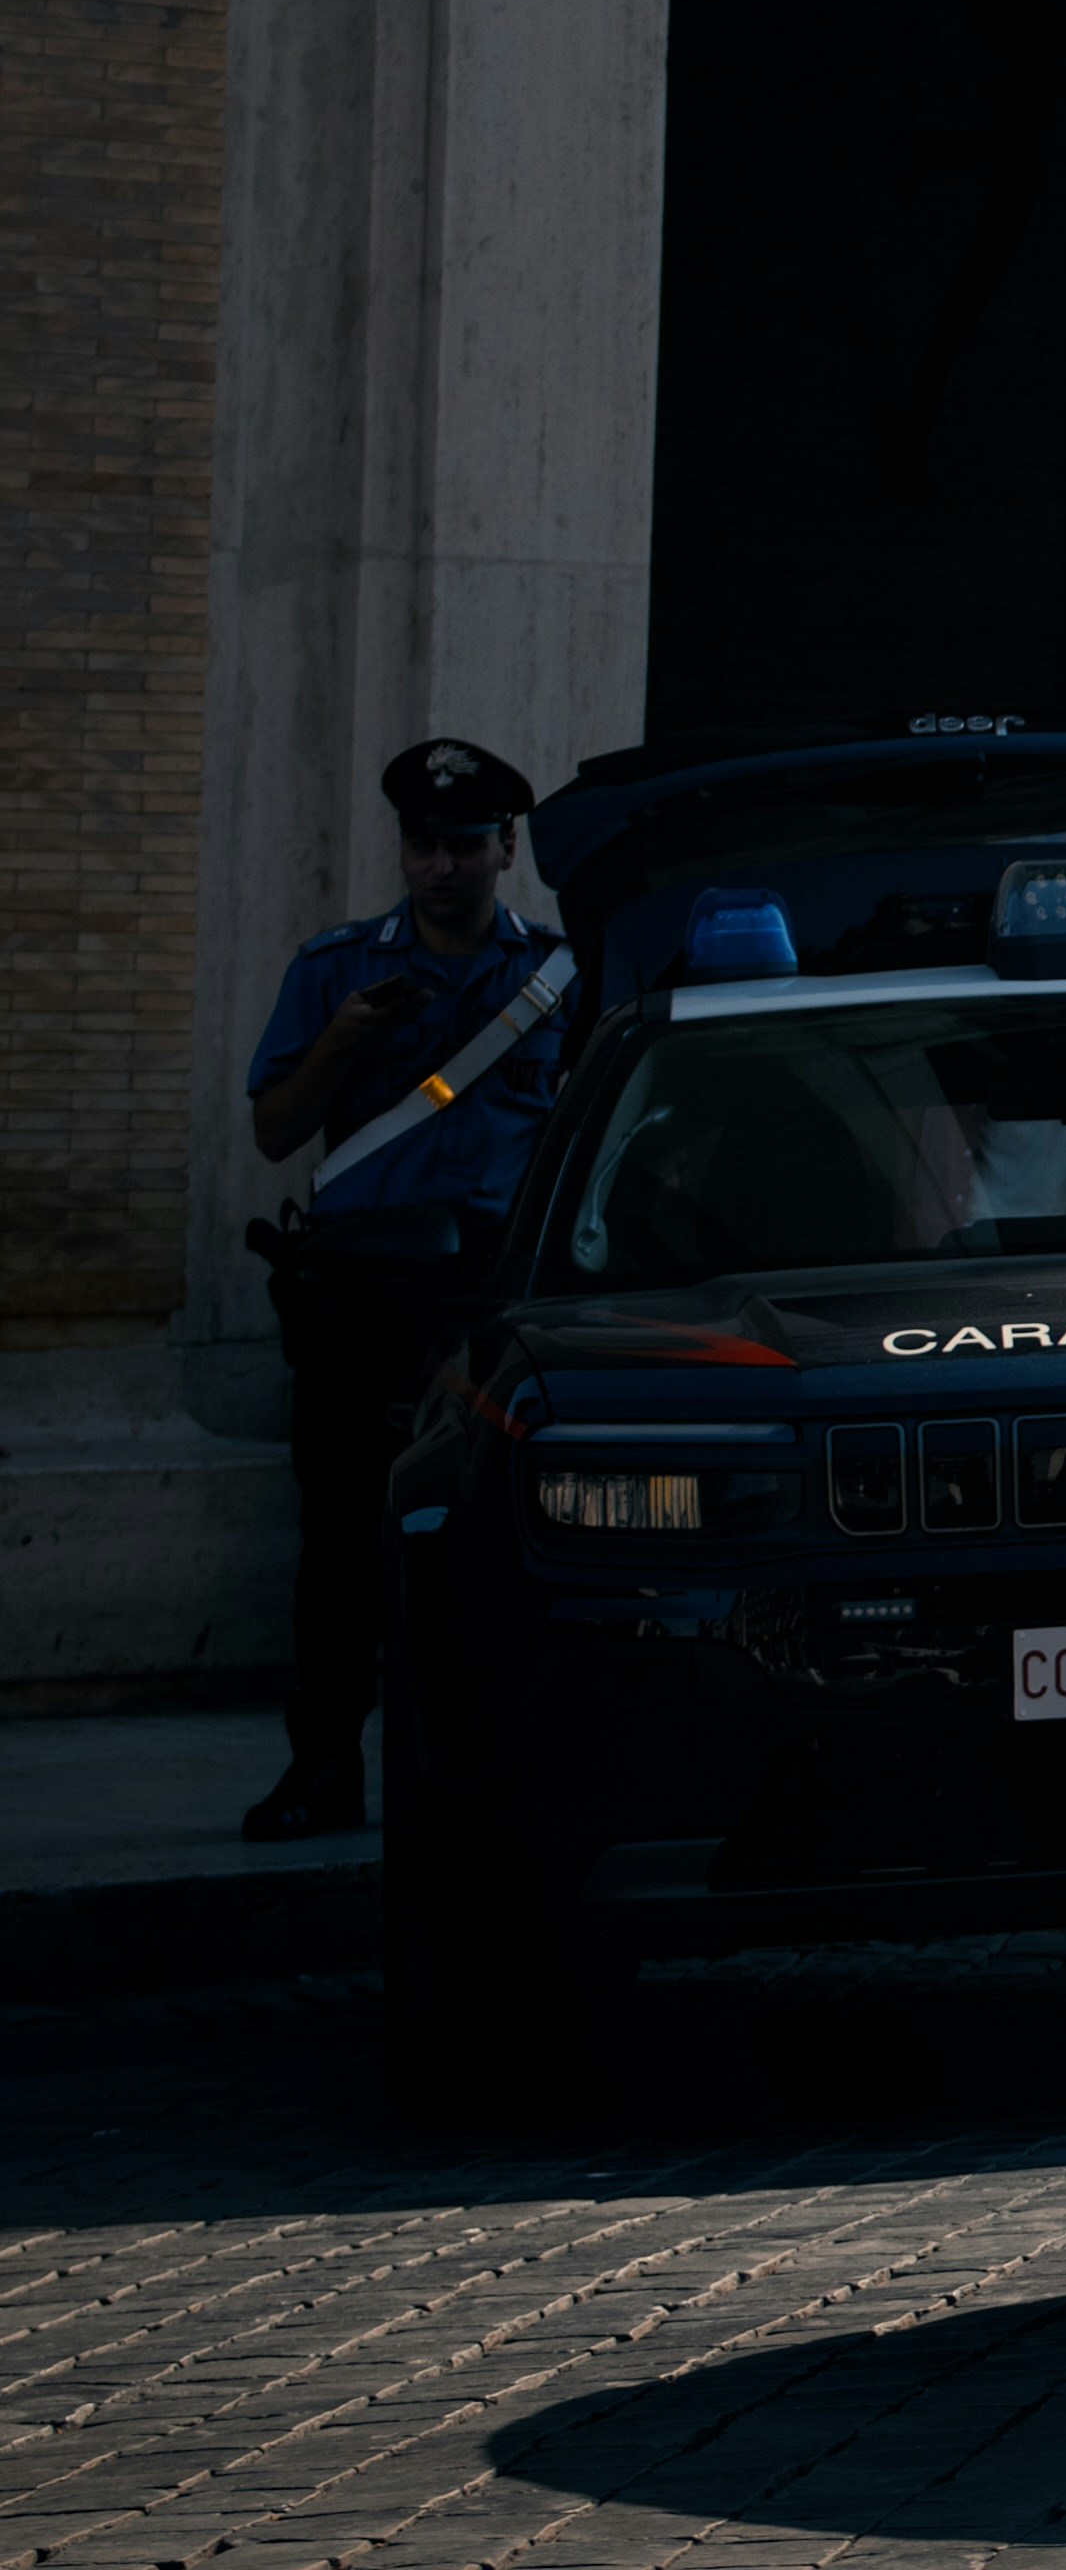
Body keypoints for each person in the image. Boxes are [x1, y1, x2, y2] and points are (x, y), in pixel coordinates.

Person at [236, 738, 575, 1841]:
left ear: (506, 849)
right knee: (338, 1546)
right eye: (424, 844)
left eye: (465, 844)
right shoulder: (337, 968)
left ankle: (479, 1781)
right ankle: (324, 1768)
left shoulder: (560, 976)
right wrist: (345, 1039)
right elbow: (279, 1129)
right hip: (355, 1301)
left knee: (491, 1546)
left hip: (488, 1304)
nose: (442, 866)